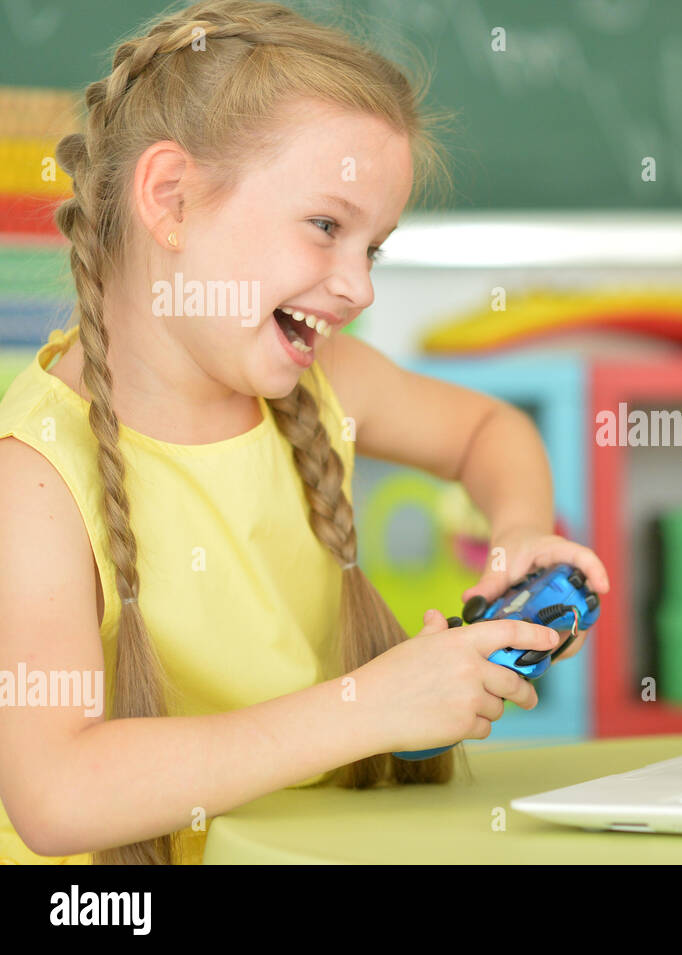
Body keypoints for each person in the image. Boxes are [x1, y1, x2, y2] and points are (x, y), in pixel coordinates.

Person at [0, 0, 608, 865]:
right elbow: (56, 798)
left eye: (374, 249)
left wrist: (517, 532)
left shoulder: (329, 386)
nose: (357, 289)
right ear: (170, 199)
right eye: (327, 226)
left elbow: (488, 429)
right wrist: (370, 706)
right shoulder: (31, 482)